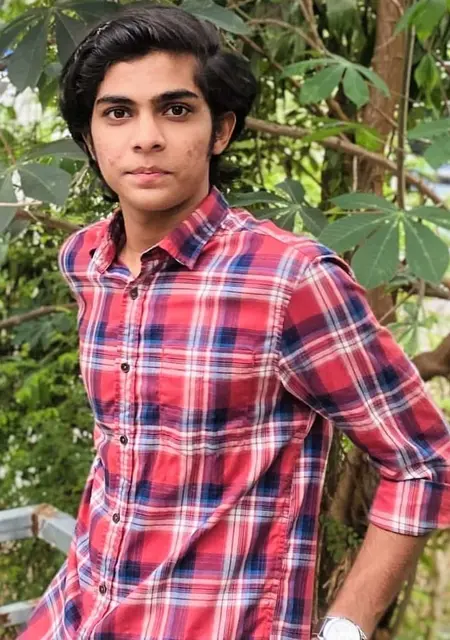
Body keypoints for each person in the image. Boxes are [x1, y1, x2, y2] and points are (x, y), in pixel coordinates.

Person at [19, 5, 450, 640]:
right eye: (118, 113)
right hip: (76, 613)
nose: (146, 137)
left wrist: (346, 628)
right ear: (90, 136)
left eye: (175, 109)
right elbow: (123, 442)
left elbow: (423, 459)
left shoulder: (289, 281)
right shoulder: (86, 259)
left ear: (220, 129)